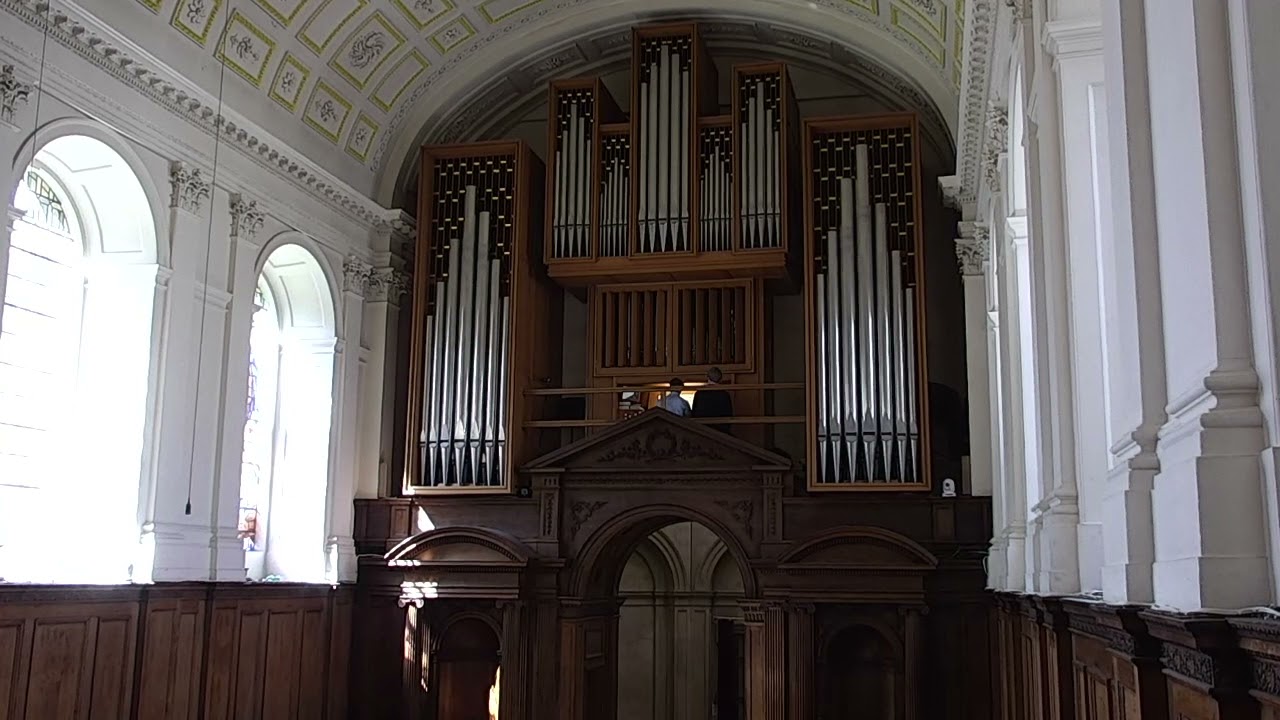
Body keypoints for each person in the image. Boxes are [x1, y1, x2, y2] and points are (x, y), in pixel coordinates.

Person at [692, 366, 734, 432]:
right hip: (720, 429)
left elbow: (694, 413)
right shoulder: (725, 394)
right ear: (721, 379)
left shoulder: (699, 393)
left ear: (708, 377)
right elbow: (729, 413)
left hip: (702, 428)